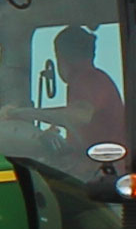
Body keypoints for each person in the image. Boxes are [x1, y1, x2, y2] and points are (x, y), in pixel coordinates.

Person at [47, 24, 126, 156]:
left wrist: (24, 113)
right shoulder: (91, 81)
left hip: (103, 169)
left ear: (62, 58)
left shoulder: (89, 79)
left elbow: (79, 115)